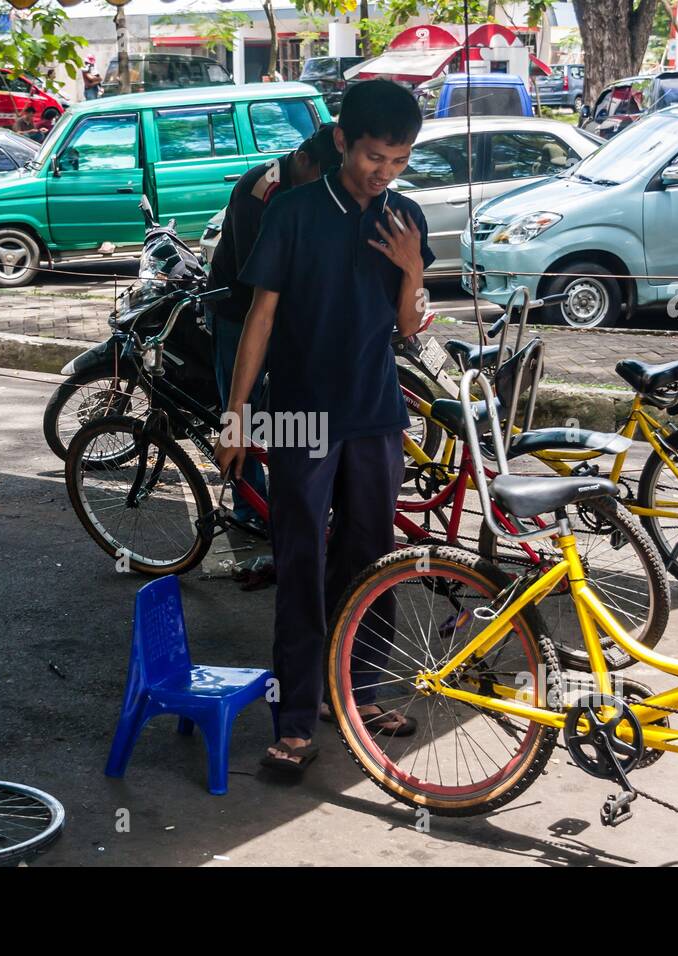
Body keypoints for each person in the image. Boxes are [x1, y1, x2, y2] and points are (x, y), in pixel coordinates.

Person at [215, 80, 433, 775]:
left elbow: (406, 328)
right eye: (375, 156)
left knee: (372, 561)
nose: (384, 173)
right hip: (302, 414)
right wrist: (236, 414)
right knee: (302, 561)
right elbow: (261, 319)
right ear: (342, 141)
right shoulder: (296, 212)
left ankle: (360, 695)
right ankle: (296, 715)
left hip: (374, 411)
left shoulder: (405, 217)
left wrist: (412, 267)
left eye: (398, 160)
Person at [204, 123, 342, 535]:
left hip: (288, 315)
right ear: (302, 159)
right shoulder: (259, 192)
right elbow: (256, 278)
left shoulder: (317, 190)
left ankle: (295, 501)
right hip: (238, 312)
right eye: (322, 177)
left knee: (290, 420)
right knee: (238, 411)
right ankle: (250, 511)